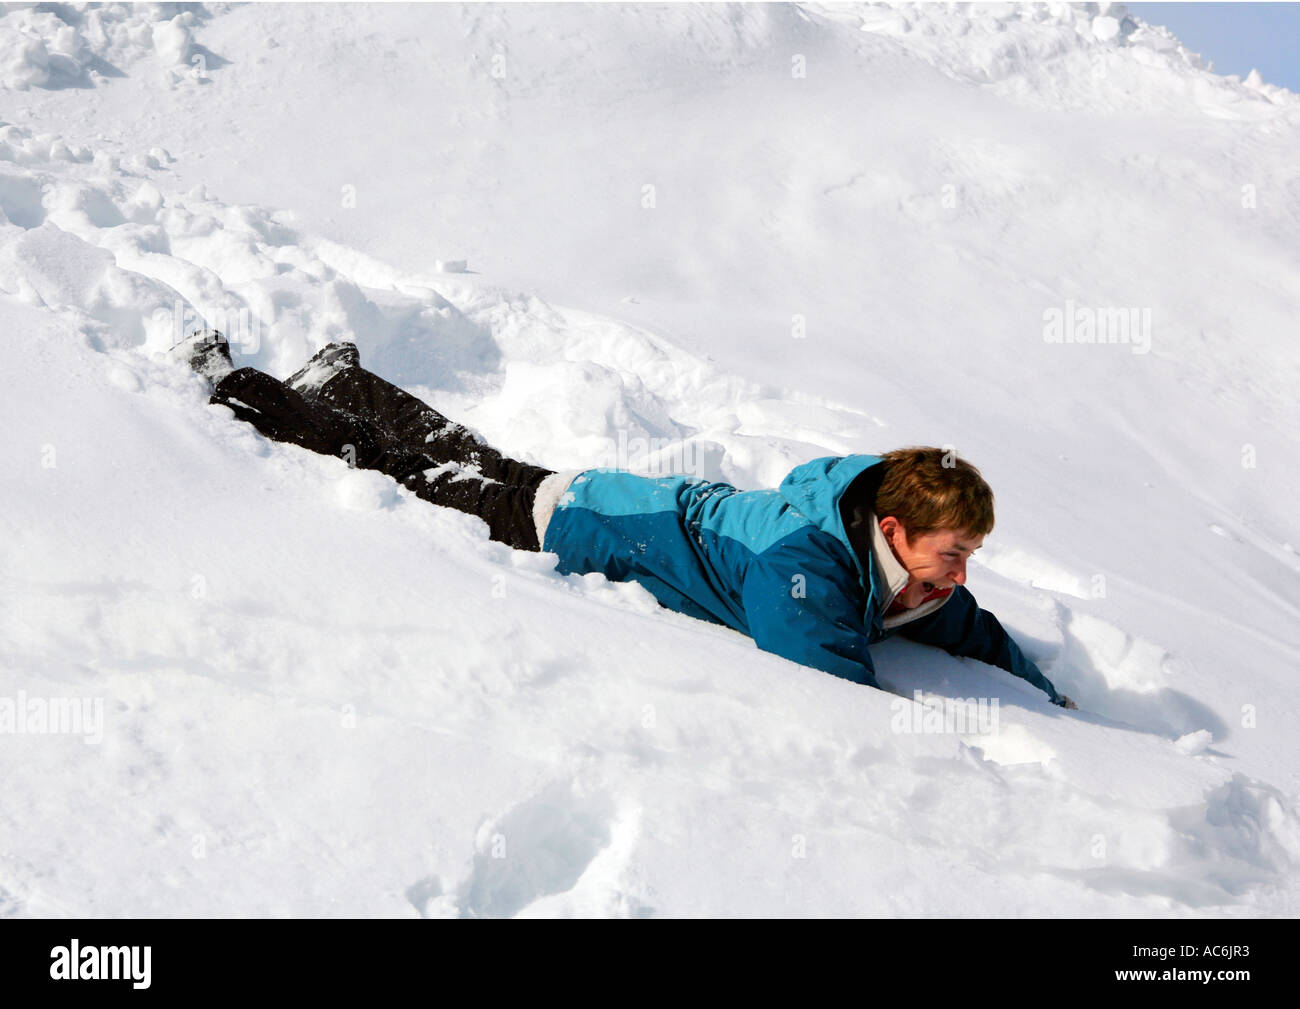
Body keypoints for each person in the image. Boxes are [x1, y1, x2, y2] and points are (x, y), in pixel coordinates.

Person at [173, 328, 1076, 709]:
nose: (958, 573)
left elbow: (971, 628)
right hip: (586, 530)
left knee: (479, 461)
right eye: (950, 553)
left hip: (615, 498)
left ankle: (344, 385)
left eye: (968, 557)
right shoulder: (806, 570)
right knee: (414, 474)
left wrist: (1049, 692)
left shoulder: (905, 570)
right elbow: (831, 683)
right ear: (890, 530)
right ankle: (235, 388)